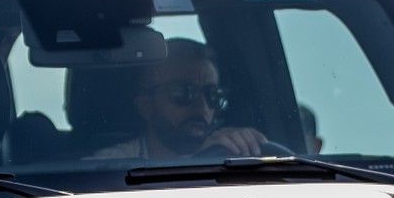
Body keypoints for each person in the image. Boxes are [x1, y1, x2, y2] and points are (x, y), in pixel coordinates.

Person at [93, 38, 266, 160]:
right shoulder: (108, 169)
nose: (202, 107)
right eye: (182, 92)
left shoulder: (233, 156)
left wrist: (248, 149)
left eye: (212, 95)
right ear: (145, 107)